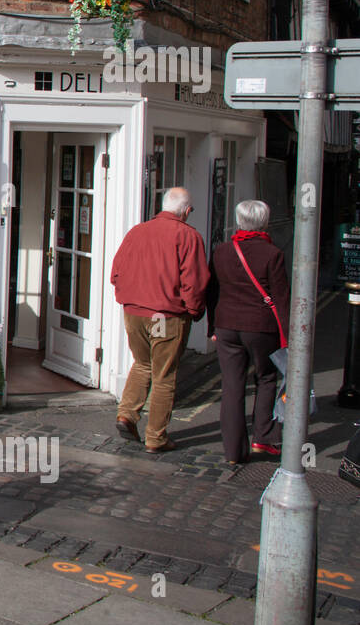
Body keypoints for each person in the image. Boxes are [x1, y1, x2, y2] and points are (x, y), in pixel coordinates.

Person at [110, 186, 210, 452]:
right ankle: (156, 437)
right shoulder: (188, 236)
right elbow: (195, 282)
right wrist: (194, 311)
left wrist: (127, 297)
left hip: (134, 311)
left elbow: (116, 272)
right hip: (166, 314)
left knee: (143, 363)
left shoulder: (137, 231)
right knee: (164, 375)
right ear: (187, 210)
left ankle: (127, 415)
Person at [207, 200, 288, 463]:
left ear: (239, 221)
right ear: (264, 222)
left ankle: (233, 452)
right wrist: (289, 337)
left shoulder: (221, 251)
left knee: (232, 386)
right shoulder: (272, 254)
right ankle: (263, 438)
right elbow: (281, 298)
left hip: (226, 326)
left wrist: (212, 328)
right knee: (265, 378)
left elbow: (212, 292)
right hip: (261, 328)